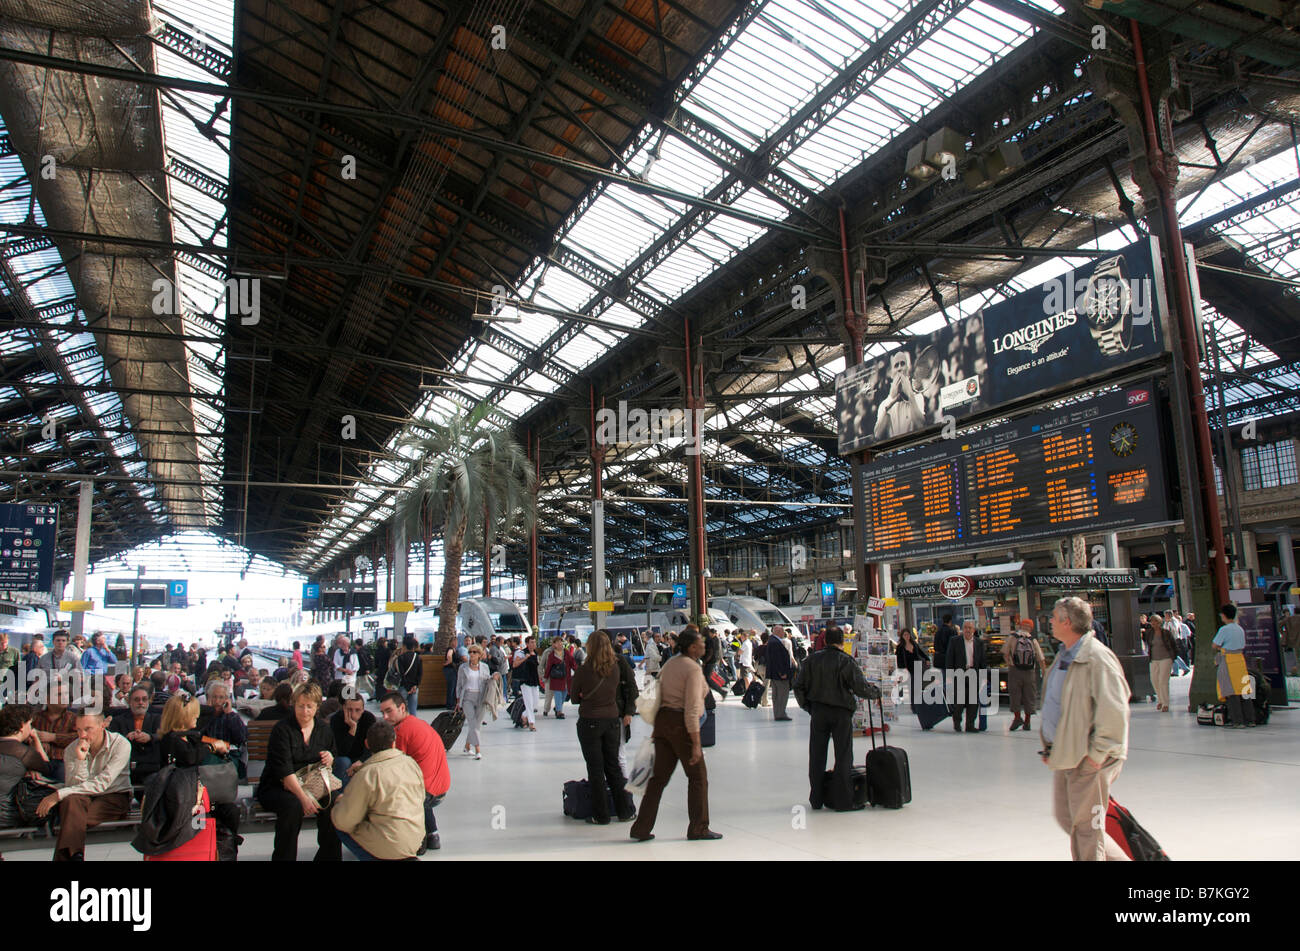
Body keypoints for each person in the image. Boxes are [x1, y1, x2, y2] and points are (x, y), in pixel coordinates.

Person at [1040, 596, 1130, 861]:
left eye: (1054, 618)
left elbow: (1115, 709)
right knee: (1068, 817)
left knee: (1087, 829)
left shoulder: (1096, 658)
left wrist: (1096, 755)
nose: (1050, 623)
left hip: (1088, 758)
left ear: (1067, 622)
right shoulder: (1065, 655)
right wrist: (1051, 746)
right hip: (1068, 754)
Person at [629, 629, 720, 842]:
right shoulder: (692, 669)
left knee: (658, 779)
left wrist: (657, 729)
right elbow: (691, 708)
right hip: (681, 725)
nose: (704, 646)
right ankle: (699, 827)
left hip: (663, 723)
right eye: (700, 643)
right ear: (691, 647)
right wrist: (696, 743)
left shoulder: (671, 663)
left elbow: (657, 693)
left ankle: (640, 828)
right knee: (698, 777)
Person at [793, 626, 881, 811]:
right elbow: (860, 687)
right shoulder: (846, 661)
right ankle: (843, 800)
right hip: (841, 713)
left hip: (818, 712)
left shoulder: (812, 660)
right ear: (842, 641)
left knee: (817, 755)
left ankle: (816, 799)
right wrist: (876, 693)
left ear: (825, 641)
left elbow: (798, 686)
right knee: (843, 755)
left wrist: (808, 706)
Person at [256, 682, 342, 862]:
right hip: (278, 786)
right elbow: (284, 772)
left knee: (334, 803)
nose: (304, 711)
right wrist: (304, 798)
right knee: (293, 805)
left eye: (309, 706)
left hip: (312, 784)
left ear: (317, 707)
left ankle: (329, 857)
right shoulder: (282, 729)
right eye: (300, 706)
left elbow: (332, 755)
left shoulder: (324, 729)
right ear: (294, 704)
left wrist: (330, 758)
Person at [156, 692, 242, 861]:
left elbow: (209, 713)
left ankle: (226, 849)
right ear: (183, 716)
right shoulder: (171, 739)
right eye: (193, 714)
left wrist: (193, 704)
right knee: (212, 816)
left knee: (231, 811)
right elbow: (190, 757)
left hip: (197, 795)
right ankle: (213, 850)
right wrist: (211, 747)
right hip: (181, 799)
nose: (198, 717)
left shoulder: (189, 735)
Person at [36, 710, 132, 860]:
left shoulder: (121, 744)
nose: (82, 735)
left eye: (88, 729)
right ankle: (76, 856)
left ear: (103, 725)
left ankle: (72, 856)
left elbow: (102, 784)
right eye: (79, 730)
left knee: (71, 819)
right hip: (82, 799)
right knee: (72, 801)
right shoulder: (71, 749)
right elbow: (74, 787)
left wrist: (58, 794)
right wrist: (81, 760)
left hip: (114, 796)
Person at [331, 719, 426, 861]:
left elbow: (345, 820)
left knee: (339, 822)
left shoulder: (366, 774)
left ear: (367, 744)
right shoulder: (410, 763)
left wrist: (339, 804)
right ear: (394, 742)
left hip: (387, 846)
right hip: (415, 839)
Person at [569, 630, 636, 825]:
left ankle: (601, 814)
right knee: (613, 766)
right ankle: (624, 811)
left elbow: (574, 698)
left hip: (590, 721)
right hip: (612, 720)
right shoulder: (615, 667)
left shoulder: (583, 669)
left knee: (596, 769)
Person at [378, 692, 450, 854]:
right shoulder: (419, 723)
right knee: (419, 790)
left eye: (389, 711)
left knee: (393, 793)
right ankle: (433, 835)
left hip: (426, 793)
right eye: (382, 713)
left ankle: (418, 842)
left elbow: (393, 764)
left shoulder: (401, 731)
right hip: (441, 787)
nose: (385, 717)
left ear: (402, 708)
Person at [0, 704, 54, 828]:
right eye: (30, 724)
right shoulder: (24, 753)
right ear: (21, 726)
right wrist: (36, 740)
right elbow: (48, 768)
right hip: (7, 816)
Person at [1212, 603, 1255, 728]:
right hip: (1240, 661)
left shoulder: (1224, 629)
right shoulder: (1239, 628)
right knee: (1244, 690)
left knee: (1231, 691)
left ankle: (1238, 721)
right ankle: (1250, 719)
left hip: (1228, 661)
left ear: (1224, 615)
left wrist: (1222, 647)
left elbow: (1214, 645)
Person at [109, 685, 162, 784]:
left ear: (149, 701)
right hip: (124, 766)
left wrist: (149, 737)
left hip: (150, 766)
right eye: (137, 700)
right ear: (129, 702)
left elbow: (162, 735)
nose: (141, 703)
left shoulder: (157, 719)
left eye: (144, 699)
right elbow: (111, 740)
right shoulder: (118, 720)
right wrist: (125, 738)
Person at [455, 643, 499, 759]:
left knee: (477, 724)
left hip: (481, 696)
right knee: (473, 723)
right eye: (470, 652)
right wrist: (458, 699)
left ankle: (467, 745)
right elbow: (459, 685)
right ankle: (478, 749)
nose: (472, 654)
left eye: (475, 652)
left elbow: (486, 680)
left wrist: (493, 677)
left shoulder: (484, 667)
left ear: (480, 655)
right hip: (467, 697)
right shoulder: (463, 668)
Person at [1003, 620, 1047, 731]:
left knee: (1015, 695)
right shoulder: (1033, 640)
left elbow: (1005, 652)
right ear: (1031, 628)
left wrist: (1009, 663)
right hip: (1030, 672)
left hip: (1015, 670)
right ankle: (1027, 722)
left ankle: (1017, 718)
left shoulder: (1013, 637)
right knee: (1029, 696)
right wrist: (1044, 671)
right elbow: (1041, 658)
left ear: (1020, 626)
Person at [873, 348, 925, 440]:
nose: (900, 368)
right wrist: (891, 401)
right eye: (896, 365)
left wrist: (910, 395)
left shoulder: (918, 397)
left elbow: (921, 426)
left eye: (902, 364)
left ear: (907, 370)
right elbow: (877, 435)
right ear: (892, 373)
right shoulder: (884, 404)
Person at [946, 620, 987, 732]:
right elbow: (950, 659)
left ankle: (970, 724)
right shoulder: (955, 641)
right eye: (965, 627)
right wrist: (949, 676)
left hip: (974, 674)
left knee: (973, 702)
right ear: (962, 629)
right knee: (959, 701)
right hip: (959, 674)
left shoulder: (979, 643)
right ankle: (957, 722)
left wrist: (984, 677)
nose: (967, 630)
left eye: (970, 628)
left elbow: (982, 661)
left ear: (974, 630)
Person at [330, 693, 375, 784]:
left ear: (363, 710)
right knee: (344, 762)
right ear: (344, 708)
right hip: (343, 758)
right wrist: (352, 729)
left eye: (357, 710)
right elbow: (341, 751)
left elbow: (373, 746)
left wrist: (362, 761)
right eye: (350, 710)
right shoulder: (336, 719)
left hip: (362, 756)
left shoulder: (368, 719)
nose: (353, 714)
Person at [1142, 611, 1176, 713]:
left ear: (1160, 622)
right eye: (1152, 622)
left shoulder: (1166, 633)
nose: (1153, 624)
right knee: (1154, 680)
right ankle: (1160, 699)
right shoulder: (1150, 633)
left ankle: (1165, 703)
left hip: (1166, 658)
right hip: (1154, 659)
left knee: (1163, 681)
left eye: (1156, 622)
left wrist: (1173, 657)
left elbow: (1174, 645)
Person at [540, 636, 576, 719]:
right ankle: (559, 712)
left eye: (561, 642)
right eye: (558, 642)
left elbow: (572, 662)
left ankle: (557, 707)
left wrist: (577, 670)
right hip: (555, 678)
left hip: (565, 677)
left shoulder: (566, 652)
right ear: (554, 644)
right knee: (558, 694)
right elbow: (548, 666)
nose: (560, 643)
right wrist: (545, 677)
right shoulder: (551, 655)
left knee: (565, 693)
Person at [765, 625, 795, 721]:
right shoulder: (775, 642)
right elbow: (777, 659)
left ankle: (778, 713)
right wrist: (782, 672)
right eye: (782, 631)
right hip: (779, 674)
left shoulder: (772, 641)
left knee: (776, 695)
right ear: (778, 632)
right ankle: (781, 713)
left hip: (774, 674)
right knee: (782, 694)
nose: (783, 633)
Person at [895, 628, 929, 702]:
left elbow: (921, 652)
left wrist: (927, 659)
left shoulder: (914, 644)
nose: (907, 636)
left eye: (908, 634)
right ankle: (913, 705)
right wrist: (902, 669)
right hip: (907, 669)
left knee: (918, 686)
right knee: (911, 687)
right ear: (902, 636)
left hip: (917, 666)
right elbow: (899, 660)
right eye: (905, 635)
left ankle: (918, 704)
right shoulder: (900, 647)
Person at [393, 636, 423, 715]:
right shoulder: (418, 658)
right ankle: (413, 726)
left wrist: (407, 686)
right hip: (414, 687)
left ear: (404, 646)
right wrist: (415, 685)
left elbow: (401, 674)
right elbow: (420, 673)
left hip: (403, 686)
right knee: (413, 711)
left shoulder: (400, 658)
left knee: (400, 710)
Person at [701, 627, 728, 702]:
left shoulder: (710, 640)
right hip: (713, 660)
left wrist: (705, 661)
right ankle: (719, 692)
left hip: (711, 661)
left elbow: (710, 652)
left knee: (707, 679)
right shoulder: (715, 639)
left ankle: (721, 692)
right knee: (707, 678)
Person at [442, 639, 460, 710]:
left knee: (452, 686)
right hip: (450, 670)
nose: (455, 643)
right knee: (451, 687)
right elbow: (449, 655)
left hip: (452, 670)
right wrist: (450, 662)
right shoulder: (450, 649)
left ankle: (451, 703)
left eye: (456, 641)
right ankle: (450, 704)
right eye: (454, 641)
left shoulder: (455, 650)